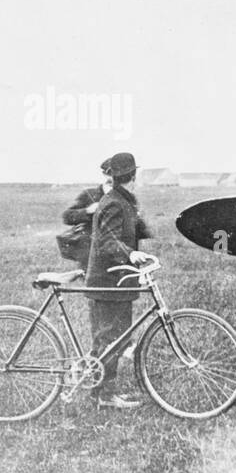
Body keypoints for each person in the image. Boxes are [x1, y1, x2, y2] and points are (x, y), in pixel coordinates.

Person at [86, 152, 153, 410]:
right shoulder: (114, 203)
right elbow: (107, 241)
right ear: (133, 177)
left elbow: (130, 229)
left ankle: (102, 390)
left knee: (114, 337)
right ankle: (103, 394)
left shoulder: (122, 200)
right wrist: (132, 253)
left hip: (117, 281)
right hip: (109, 282)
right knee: (109, 338)